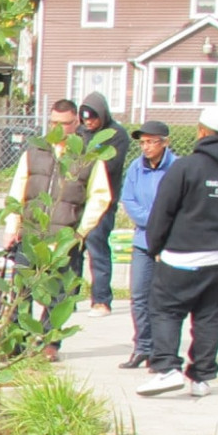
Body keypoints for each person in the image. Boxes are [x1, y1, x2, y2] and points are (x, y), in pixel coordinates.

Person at [138, 104, 218, 398]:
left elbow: (162, 212)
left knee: (166, 310)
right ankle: (201, 378)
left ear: (202, 132)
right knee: (209, 316)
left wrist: (155, 247)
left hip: (184, 255)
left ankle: (167, 369)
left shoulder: (186, 167)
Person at [0, 99, 112, 360]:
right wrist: (12, 226)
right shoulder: (35, 150)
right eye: (53, 123)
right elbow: (18, 189)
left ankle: (50, 342)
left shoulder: (88, 156)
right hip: (31, 233)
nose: (58, 128)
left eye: (64, 123)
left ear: (76, 123)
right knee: (21, 290)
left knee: (61, 294)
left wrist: (80, 232)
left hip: (65, 237)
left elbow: (100, 196)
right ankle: (15, 340)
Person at [115, 120, 174, 369]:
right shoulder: (135, 168)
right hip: (143, 240)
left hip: (170, 242)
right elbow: (128, 199)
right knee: (139, 295)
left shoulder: (177, 167)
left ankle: (161, 351)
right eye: (143, 142)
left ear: (165, 143)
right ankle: (142, 347)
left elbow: (178, 202)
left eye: (151, 141)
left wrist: (162, 220)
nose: (146, 147)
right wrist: (153, 219)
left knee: (164, 299)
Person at [78, 90, 132, 312]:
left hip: (102, 201)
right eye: (84, 117)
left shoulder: (116, 134)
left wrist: (84, 164)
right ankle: (67, 299)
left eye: (93, 117)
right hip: (78, 199)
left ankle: (101, 299)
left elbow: (109, 165)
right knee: (72, 251)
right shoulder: (79, 133)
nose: (88, 122)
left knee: (97, 248)